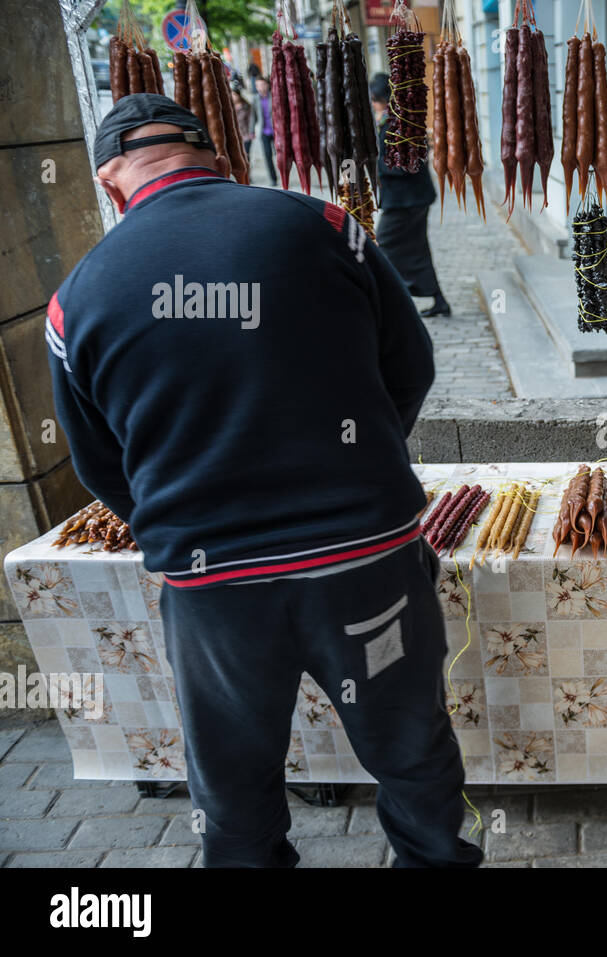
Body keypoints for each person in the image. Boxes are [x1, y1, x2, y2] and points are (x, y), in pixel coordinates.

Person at [45, 94, 481, 869]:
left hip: (213, 588)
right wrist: (359, 466)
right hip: (365, 564)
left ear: (112, 184)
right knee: (410, 752)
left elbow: (100, 464)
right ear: (217, 155)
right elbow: (409, 365)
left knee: (236, 791)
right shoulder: (323, 226)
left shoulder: (78, 297)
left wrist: (179, 518)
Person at [370, 73, 451, 317]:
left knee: (384, 244)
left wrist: (375, 164)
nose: (373, 103)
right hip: (408, 199)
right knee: (416, 249)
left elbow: (403, 164)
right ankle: (437, 300)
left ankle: (392, 300)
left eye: (374, 98)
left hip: (407, 200)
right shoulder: (394, 119)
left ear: (382, 98)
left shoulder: (398, 122)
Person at [254, 75, 275, 183]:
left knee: (281, 155)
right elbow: (254, 116)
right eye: (258, 85)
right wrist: (252, 131)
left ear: (267, 85)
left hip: (276, 131)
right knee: (268, 155)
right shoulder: (256, 99)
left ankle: (285, 174)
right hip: (264, 132)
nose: (260, 87)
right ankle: (273, 178)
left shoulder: (274, 96)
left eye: (262, 84)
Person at [231, 76, 253, 171]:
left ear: (239, 95)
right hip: (235, 136)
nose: (233, 97)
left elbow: (251, 120)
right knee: (238, 157)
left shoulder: (246, 106)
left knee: (246, 155)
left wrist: (251, 132)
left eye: (235, 95)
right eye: (231, 95)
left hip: (246, 135)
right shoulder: (229, 108)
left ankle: (247, 173)